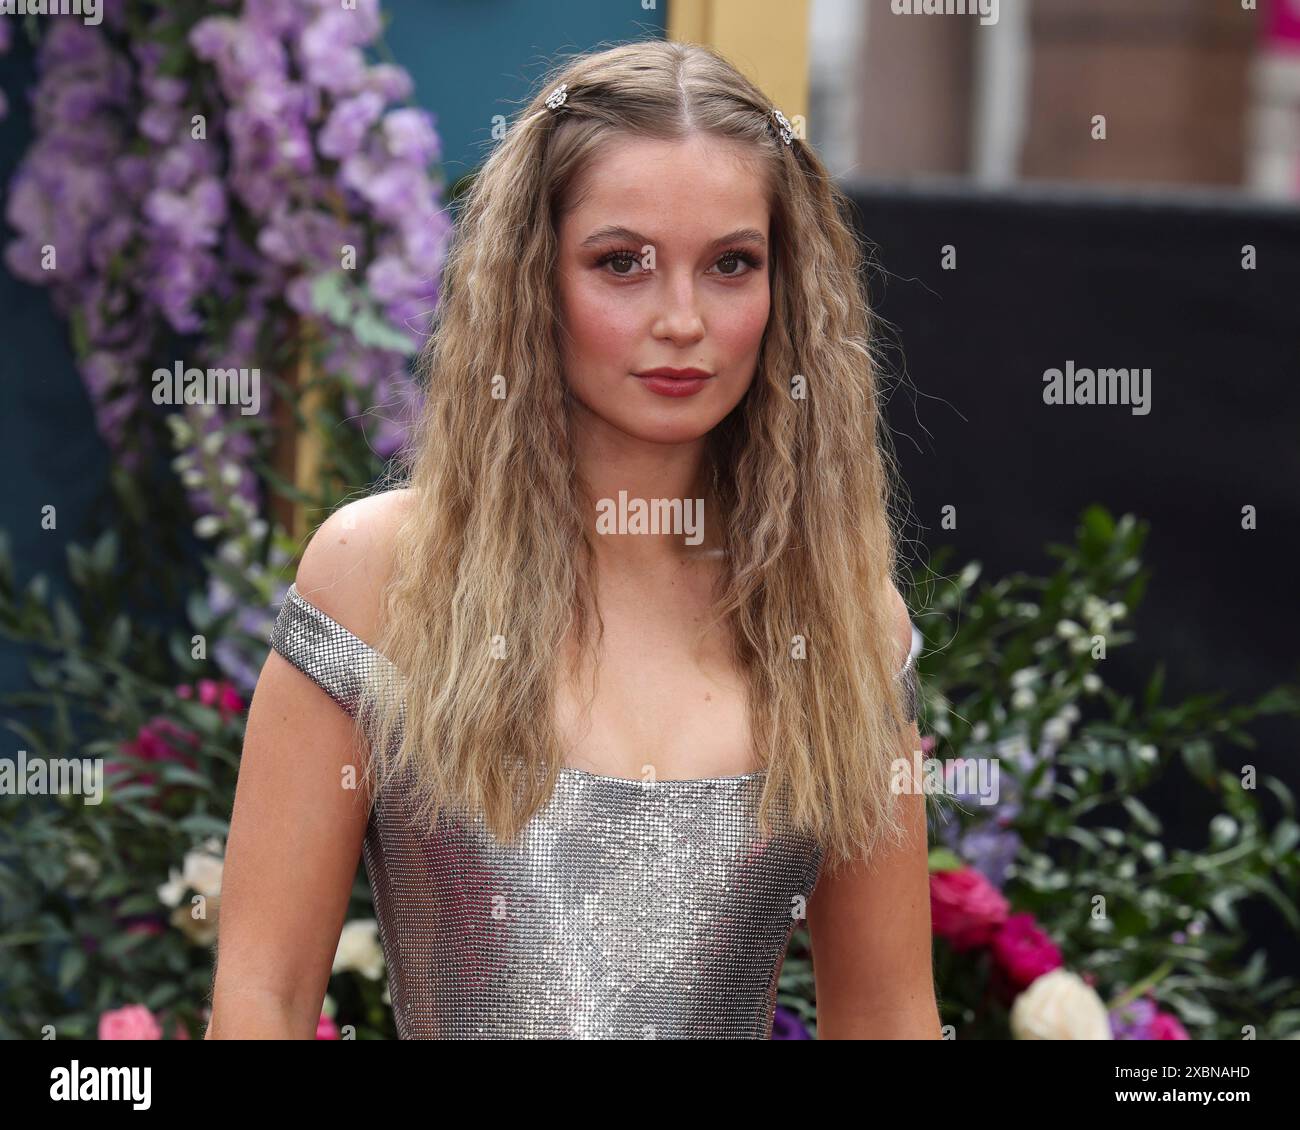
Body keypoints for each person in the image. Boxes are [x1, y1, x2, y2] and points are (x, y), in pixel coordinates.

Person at [206, 39, 939, 1040]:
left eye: (731, 264)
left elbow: (889, 1013)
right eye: (620, 262)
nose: (681, 319)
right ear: (529, 280)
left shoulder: (843, 614)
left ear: (786, 294)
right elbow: (263, 1001)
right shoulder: (380, 573)